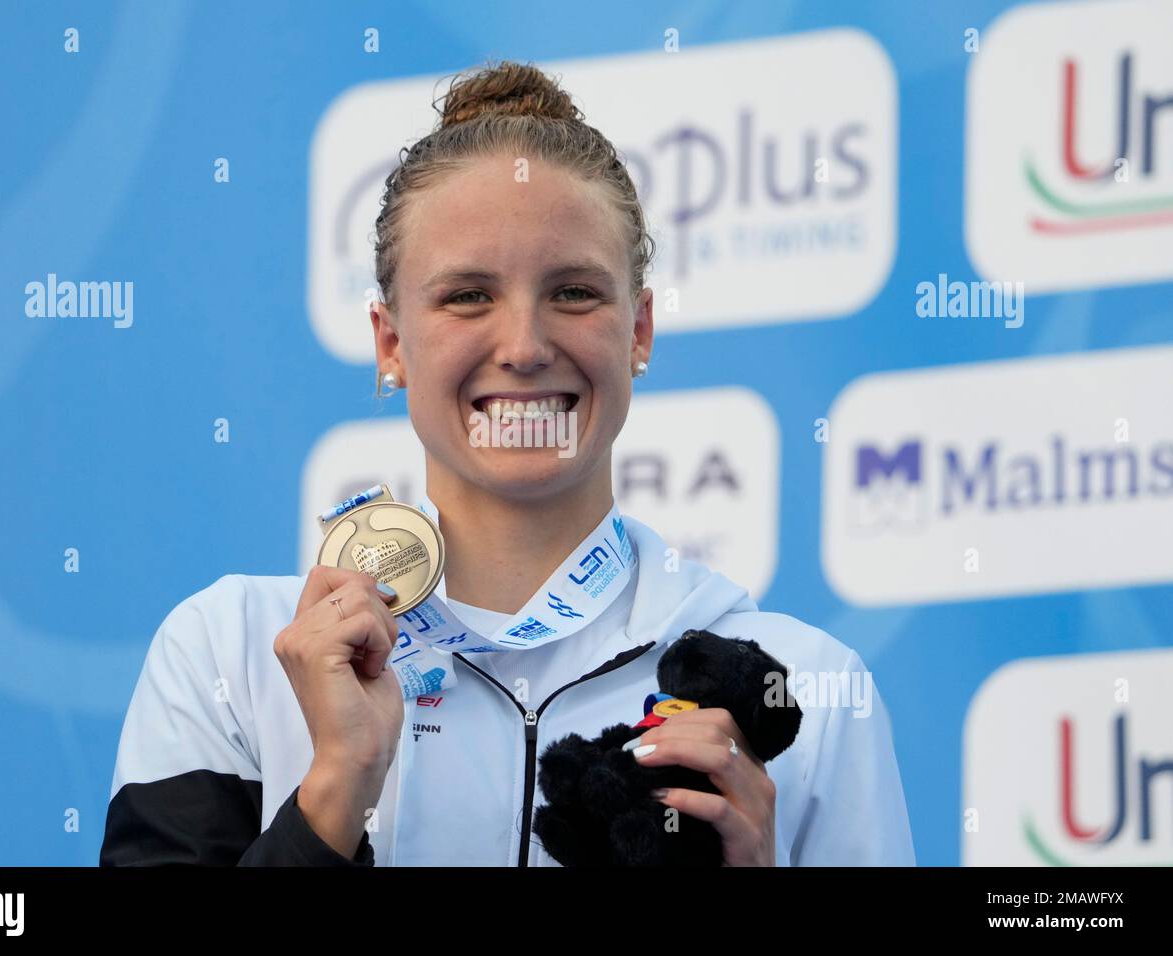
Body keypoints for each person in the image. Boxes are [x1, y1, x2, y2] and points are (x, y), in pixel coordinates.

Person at [100, 59, 915, 867]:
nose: (524, 348)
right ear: (391, 344)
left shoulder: (797, 689)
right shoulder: (232, 656)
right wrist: (336, 790)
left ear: (639, 332)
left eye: (574, 293)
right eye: (467, 296)